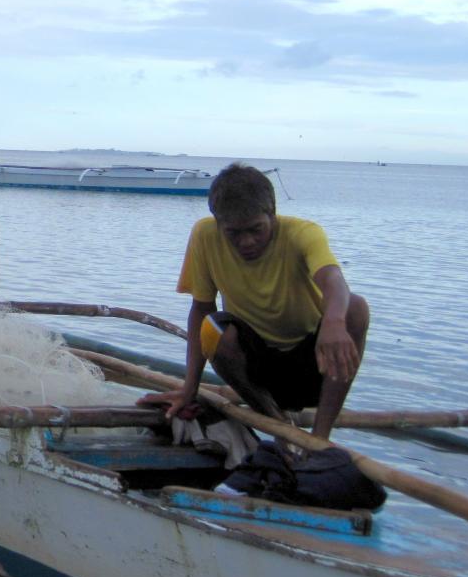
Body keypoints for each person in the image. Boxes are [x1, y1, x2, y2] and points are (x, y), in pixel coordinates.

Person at [140, 163, 369, 442]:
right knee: (212, 328)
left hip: (313, 365)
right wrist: (190, 389)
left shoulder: (303, 234)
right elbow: (202, 308)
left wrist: (334, 323)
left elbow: (333, 279)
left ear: (272, 214)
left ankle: (320, 438)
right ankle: (279, 426)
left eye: (255, 230)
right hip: (256, 372)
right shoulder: (204, 235)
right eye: (233, 233)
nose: (246, 242)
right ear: (218, 223)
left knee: (355, 308)